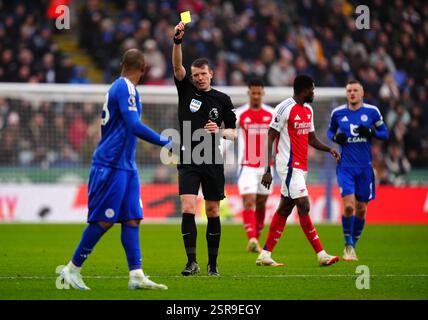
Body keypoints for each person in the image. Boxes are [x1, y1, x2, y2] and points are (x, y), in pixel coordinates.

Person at [59, 49, 170, 290]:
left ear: (123, 64)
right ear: (143, 68)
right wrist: (164, 141)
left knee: (132, 219)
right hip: (111, 164)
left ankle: (136, 275)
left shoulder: (122, 88)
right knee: (104, 220)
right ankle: (71, 270)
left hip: (126, 166)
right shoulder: (125, 87)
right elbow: (133, 124)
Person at [172, 22, 237, 276]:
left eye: (203, 74)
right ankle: (191, 262)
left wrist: (219, 131)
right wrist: (177, 42)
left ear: (211, 74)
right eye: (195, 74)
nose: (198, 78)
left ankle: (212, 264)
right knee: (188, 207)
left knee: (211, 211)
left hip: (211, 158)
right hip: (189, 157)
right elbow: (177, 66)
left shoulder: (222, 100)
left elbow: (233, 133)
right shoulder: (185, 88)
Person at [256, 75, 341, 267]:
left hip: (301, 168)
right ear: (304, 89)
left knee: (285, 208)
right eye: (312, 89)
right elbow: (269, 138)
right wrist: (267, 169)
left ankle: (265, 254)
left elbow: (311, 139)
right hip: (288, 166)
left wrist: (329, 149)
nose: (313, 92)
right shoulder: (284, 108)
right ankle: (321, 254)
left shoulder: (308, 110)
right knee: (304, 205)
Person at [327, 80, 389, 261]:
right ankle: (348, 245)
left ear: (362, 93)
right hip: (345, 167)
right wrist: (336, 137)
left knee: (361, 209)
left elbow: (385, 134)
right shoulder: (337, 113)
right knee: (348, 206)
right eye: (349, 91)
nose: (352, 93)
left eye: (355, 90)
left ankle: (353, 244)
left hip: (365, 169)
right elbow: (330, 132)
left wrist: (371, 133)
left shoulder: (372, 111)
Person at [234, 78, 275, 253]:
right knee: (249, 200)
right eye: (253, 93)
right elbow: (229, 133)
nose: (256, 96)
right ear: (248, 93)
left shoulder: (272, 114)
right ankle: (251, 237)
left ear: (263, 93)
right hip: (247, 166)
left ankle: (255, 240)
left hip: (266, 167)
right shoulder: (240, 113)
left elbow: (279, 139)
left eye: (259, 93)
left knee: (261, 202)